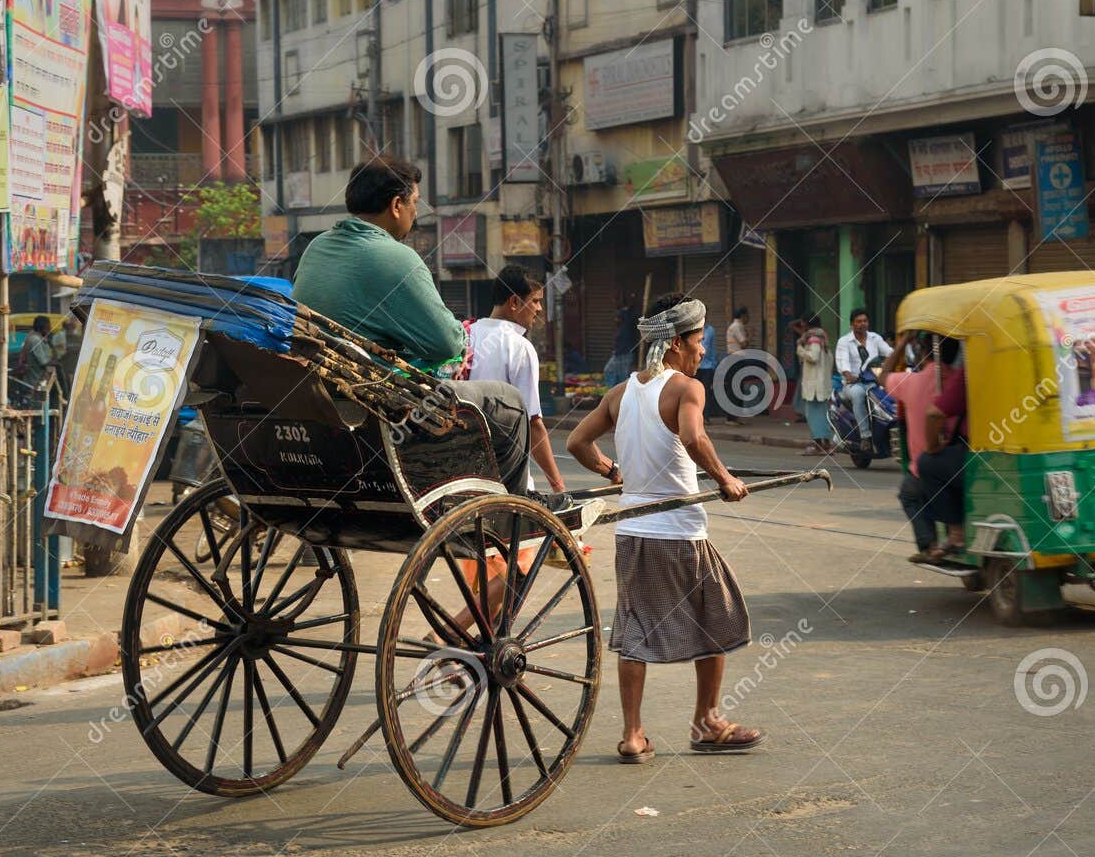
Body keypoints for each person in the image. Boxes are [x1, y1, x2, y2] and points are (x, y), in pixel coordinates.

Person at [293, 158, 580, 514]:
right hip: (380, 405)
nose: (415, 213)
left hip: (317, 395)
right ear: (396, 206)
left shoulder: (315, 249)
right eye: (414, 203)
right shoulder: (397, 259)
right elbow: (448, 343)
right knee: (509, 402)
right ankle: (512, 504)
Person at [567, 293, 764, 763]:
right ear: (675, 343)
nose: (702, 352)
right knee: (718, 617)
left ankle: (633, 735)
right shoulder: (685, 389)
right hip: (678, 531)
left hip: (633, 534)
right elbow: (695, 438)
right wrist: (726, 480)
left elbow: (577, 442)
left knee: (635, 630)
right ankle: (707, 722)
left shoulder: (619, 394)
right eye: (698, 342)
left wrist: (612, 471)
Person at [465, 264, 564, 494]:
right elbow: (533, 423)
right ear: (514, 303)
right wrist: (558, 486)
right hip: (506, 475)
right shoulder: (519, 347)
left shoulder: (466, 335)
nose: (539, 309)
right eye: (535, 301)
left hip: (465, 471)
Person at [884, 333, 968, 562]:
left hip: (938, 467)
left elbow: (883, 376)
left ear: (923, 352)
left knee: (909, 492)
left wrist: (901, 343)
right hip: (963, 456)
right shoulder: (958, 378)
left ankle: (930, 546)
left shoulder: (912, 381)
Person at [836, 308, 893, 439]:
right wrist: (848, 374)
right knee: (858, 394)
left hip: (874, 381)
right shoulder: (844, 342)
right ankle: (865, 435)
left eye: (865, 321)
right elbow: (843, 362)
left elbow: (889, 353)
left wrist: (899, 358)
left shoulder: (875, 338)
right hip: (854, 384)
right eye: (858, 321)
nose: (862, 324)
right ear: (852, 324)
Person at [795, 312, 833, 455]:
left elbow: (813, 356)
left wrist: (800, 349)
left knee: (814, 416)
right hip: (820, 383)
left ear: (807, 324)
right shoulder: (822, 337)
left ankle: (820, 446)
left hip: (814, 385)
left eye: (803, 323)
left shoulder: (813, 339)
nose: (801, 326)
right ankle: (826, 445)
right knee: (822, 414)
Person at [603, 299, 638, 387]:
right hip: (619, 355)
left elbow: (630, 314)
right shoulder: (621, 328)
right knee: (611, 371)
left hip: (624, 354)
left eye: (617, 318)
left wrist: (628, 307)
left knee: (622, 375)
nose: (616, 319)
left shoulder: (626, 327)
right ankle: (614, 388)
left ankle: (618, 390)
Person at [723, 306, 750, 423]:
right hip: (736, 359)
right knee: (736, 387)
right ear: (743, 316)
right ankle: (732, 417)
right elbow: (743, 344)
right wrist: (751, 335)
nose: (748, 318)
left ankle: (733, 417)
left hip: (733, 359)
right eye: (747, 315)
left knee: (734, 386)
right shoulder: (738, 326)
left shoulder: (734, 326)